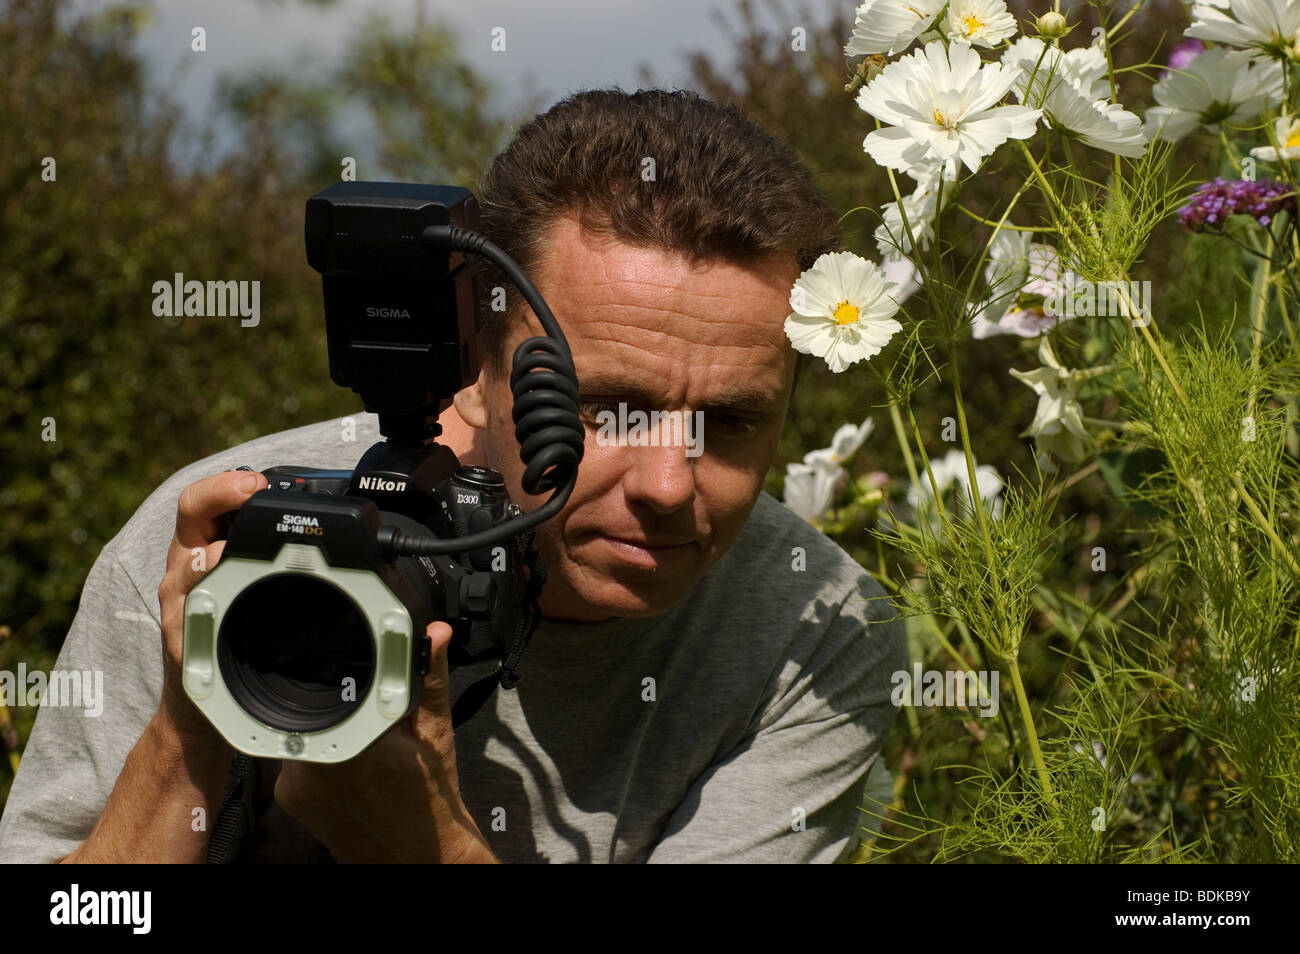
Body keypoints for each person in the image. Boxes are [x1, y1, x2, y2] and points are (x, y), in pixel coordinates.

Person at [0, 88, 906, 864]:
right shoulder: (221, 541)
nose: (668, 485)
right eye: (603, 407)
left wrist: (420, 843)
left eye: (732, 422)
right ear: (479, 369)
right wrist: (189, 729)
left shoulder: (813, 634)